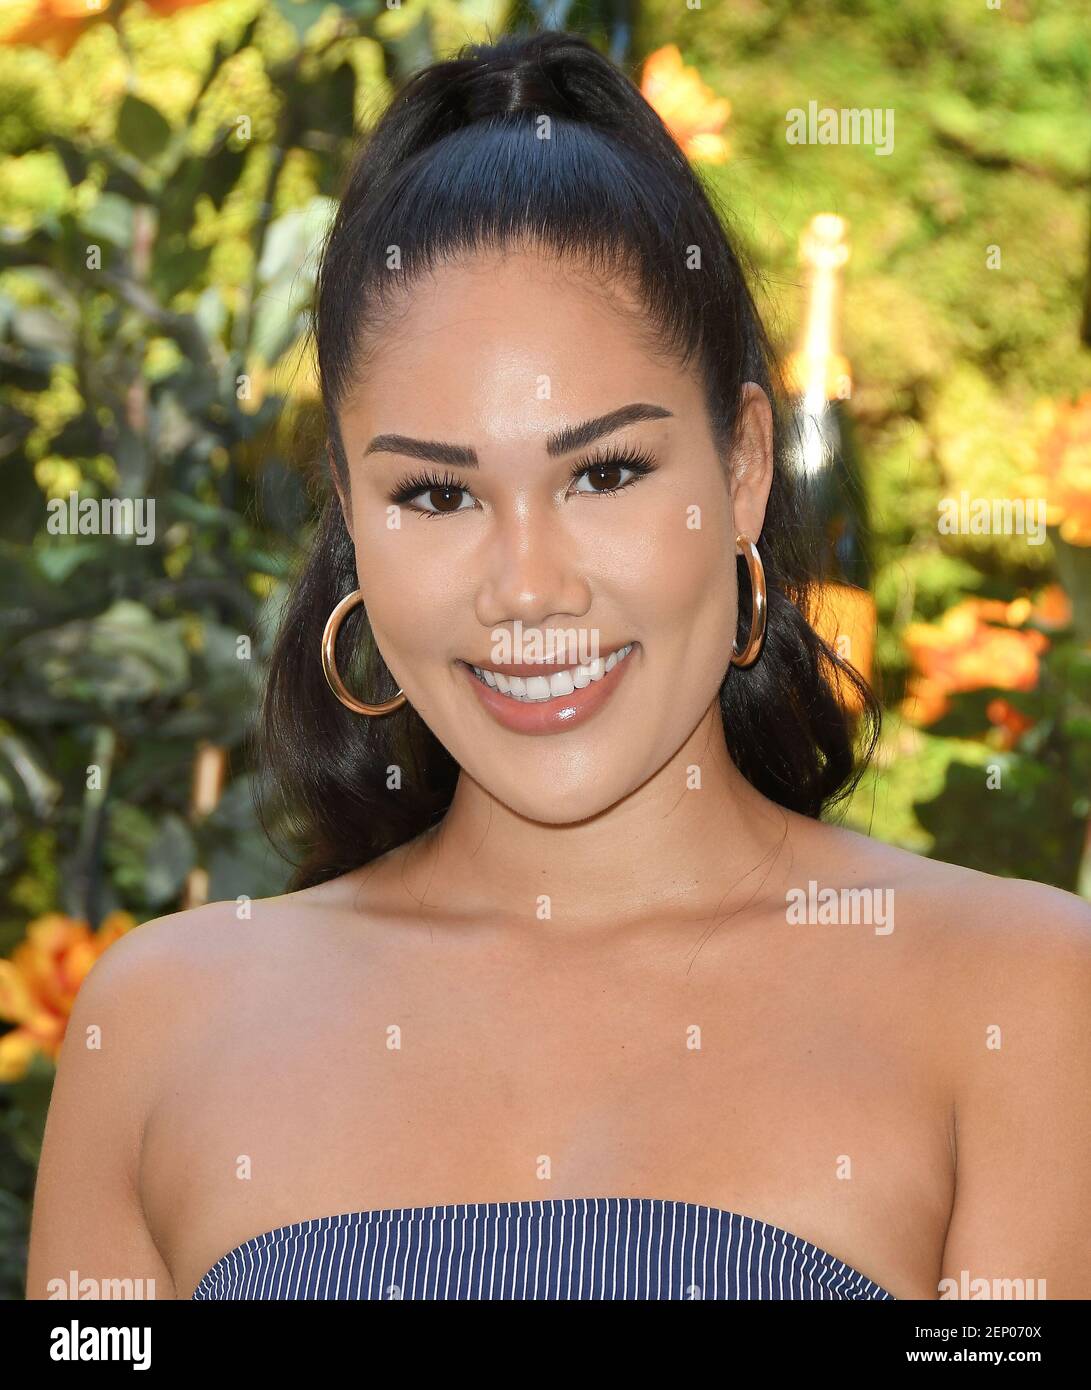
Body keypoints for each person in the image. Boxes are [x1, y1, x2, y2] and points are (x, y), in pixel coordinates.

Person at [26, 31, 1091, 1302]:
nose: (526, 585)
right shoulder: (157, 1025)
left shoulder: (1018, 1000)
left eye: (604, 472)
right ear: (350, 523)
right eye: (434, 492)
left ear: (743, 467)